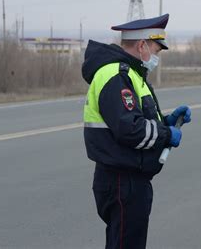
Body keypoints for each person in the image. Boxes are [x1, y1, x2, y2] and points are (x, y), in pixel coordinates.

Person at [81, 14, 191, 249]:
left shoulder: (131, 74)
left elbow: (137, 119)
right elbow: (131, 130)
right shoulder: (116, 76)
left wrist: (169, 121)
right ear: (142, 45)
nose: (156, 57)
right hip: (123, 181)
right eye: (156, 50)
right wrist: (167, 135)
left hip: (127, 179)